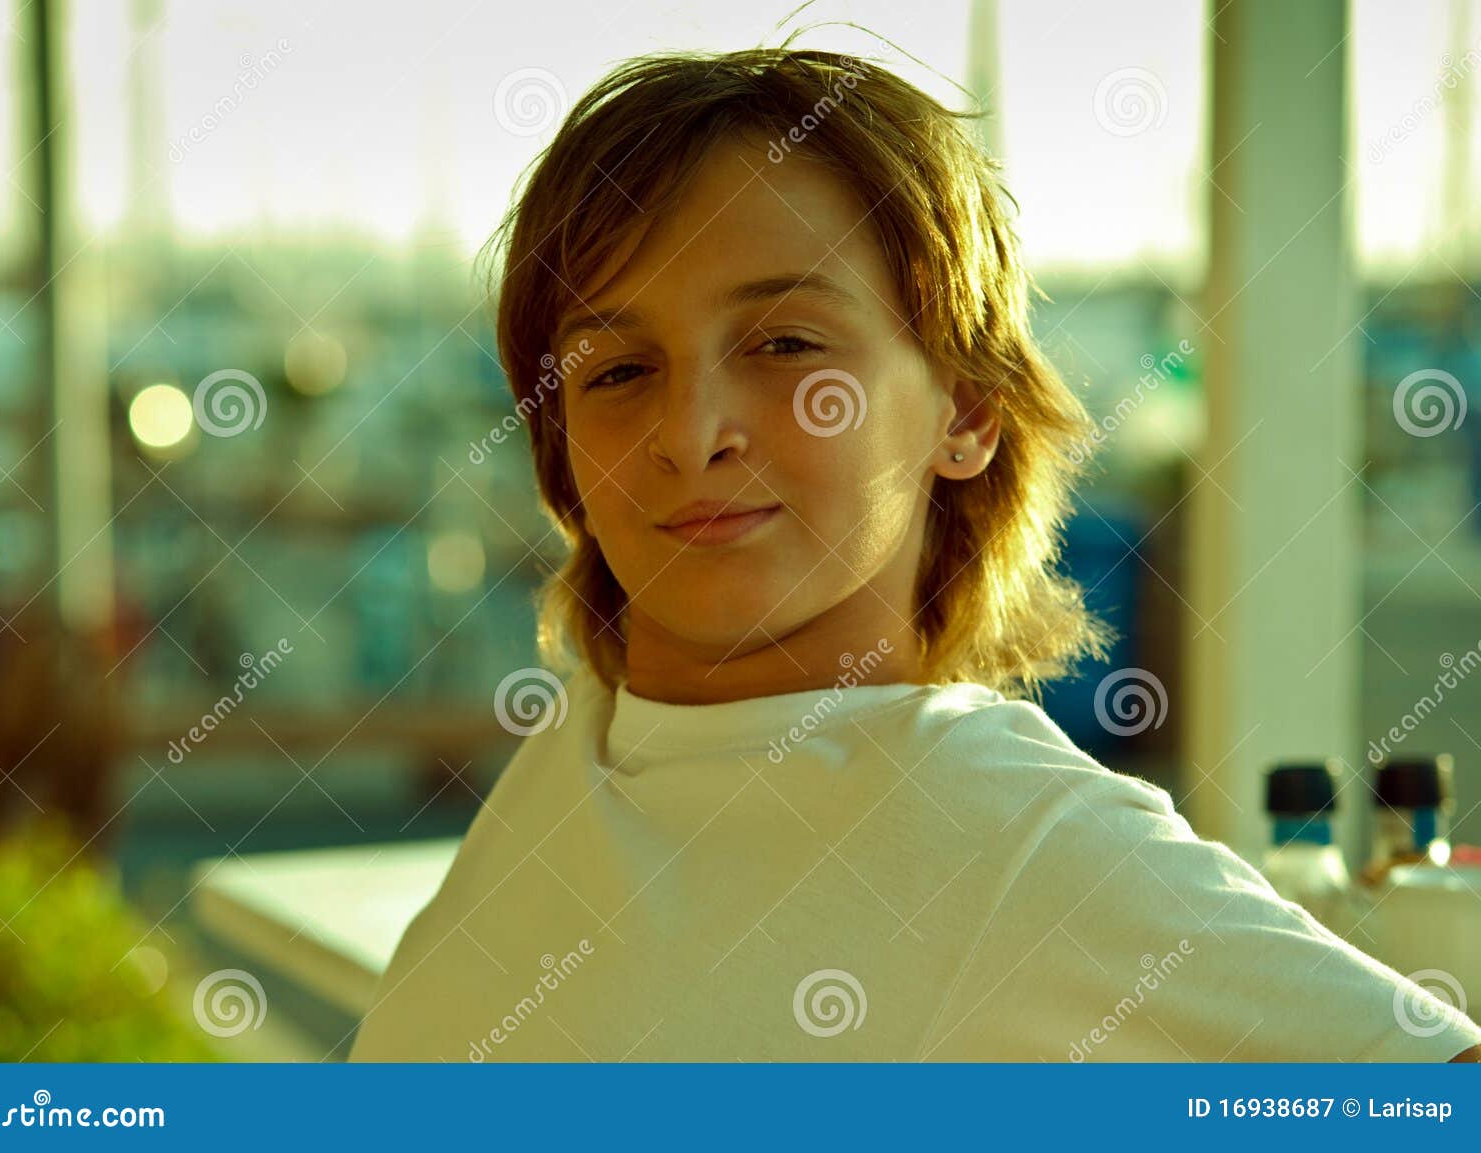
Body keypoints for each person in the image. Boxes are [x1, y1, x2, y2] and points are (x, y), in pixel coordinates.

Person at [349, 46, 1481, 1062]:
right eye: (618, 370)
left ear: (968, 410)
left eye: (784, 343)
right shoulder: (587, 744)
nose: (689, 433)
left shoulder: (1021, 835)